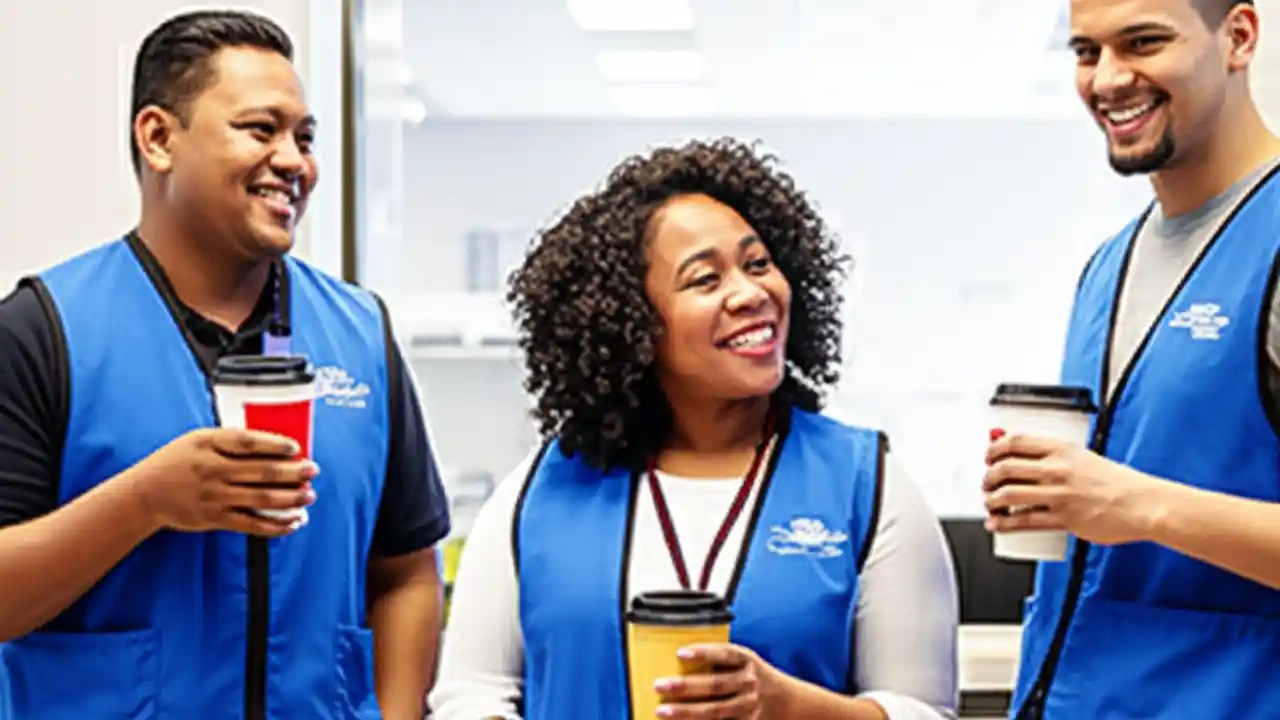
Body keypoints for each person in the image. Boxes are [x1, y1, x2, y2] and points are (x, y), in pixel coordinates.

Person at [0, 10, 449, 719]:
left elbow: (406, 572)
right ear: (158, 138)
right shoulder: (42, 331)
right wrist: (147, 500)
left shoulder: (361, 337)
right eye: (260, 129)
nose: (295, 161)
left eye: (304, 138)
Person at [429, 138, 959, 720]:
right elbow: (470, 695)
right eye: (706, 280)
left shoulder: (867, 489)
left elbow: (924, 712)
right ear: (632, 323)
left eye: (758, 264)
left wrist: (786, 706)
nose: (751, 293)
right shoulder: (539, 493)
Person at [981, 0, 1280, 717]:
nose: (1109, 79)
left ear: (1238, 37)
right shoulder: (1108, 265)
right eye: (1087, 53)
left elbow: (1128, 503)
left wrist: (1134, 504)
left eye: (1143, 42)